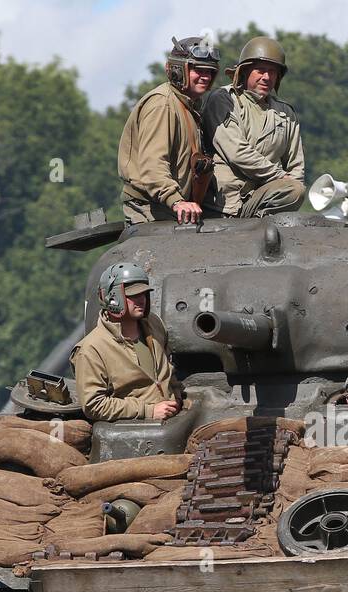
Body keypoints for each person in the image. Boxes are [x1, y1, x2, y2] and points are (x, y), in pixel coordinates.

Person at [118, 36, 221, 225]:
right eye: (197, 70)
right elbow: (153, 164)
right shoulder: (163, 105)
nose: (205, 77)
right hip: (152, 209)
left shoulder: (188, 106)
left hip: (174, 206)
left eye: (209, 72)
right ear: (178, 70)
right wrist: (177, 201)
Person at [201, 36, 305, 218]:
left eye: (272, 72)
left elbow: (296, 165)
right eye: (261, 70)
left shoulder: (285, 112)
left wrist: (289, 184)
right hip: (223, 204)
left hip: (260, 200)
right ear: (245, 71)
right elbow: (236, 152)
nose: (267, 77)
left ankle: (258, 223)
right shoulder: (224, 100)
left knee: (296, 190)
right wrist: (278, 175)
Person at [72, 262, 181, 423]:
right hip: (136, 427)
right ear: (113, 299)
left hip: (173, 418)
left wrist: (177, 395)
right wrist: (148, 410)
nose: (141, 300)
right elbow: (93, 405)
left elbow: (168, 370)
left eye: (144, 294)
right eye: (133, 295)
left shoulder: (155, 325)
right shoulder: (91, 349)